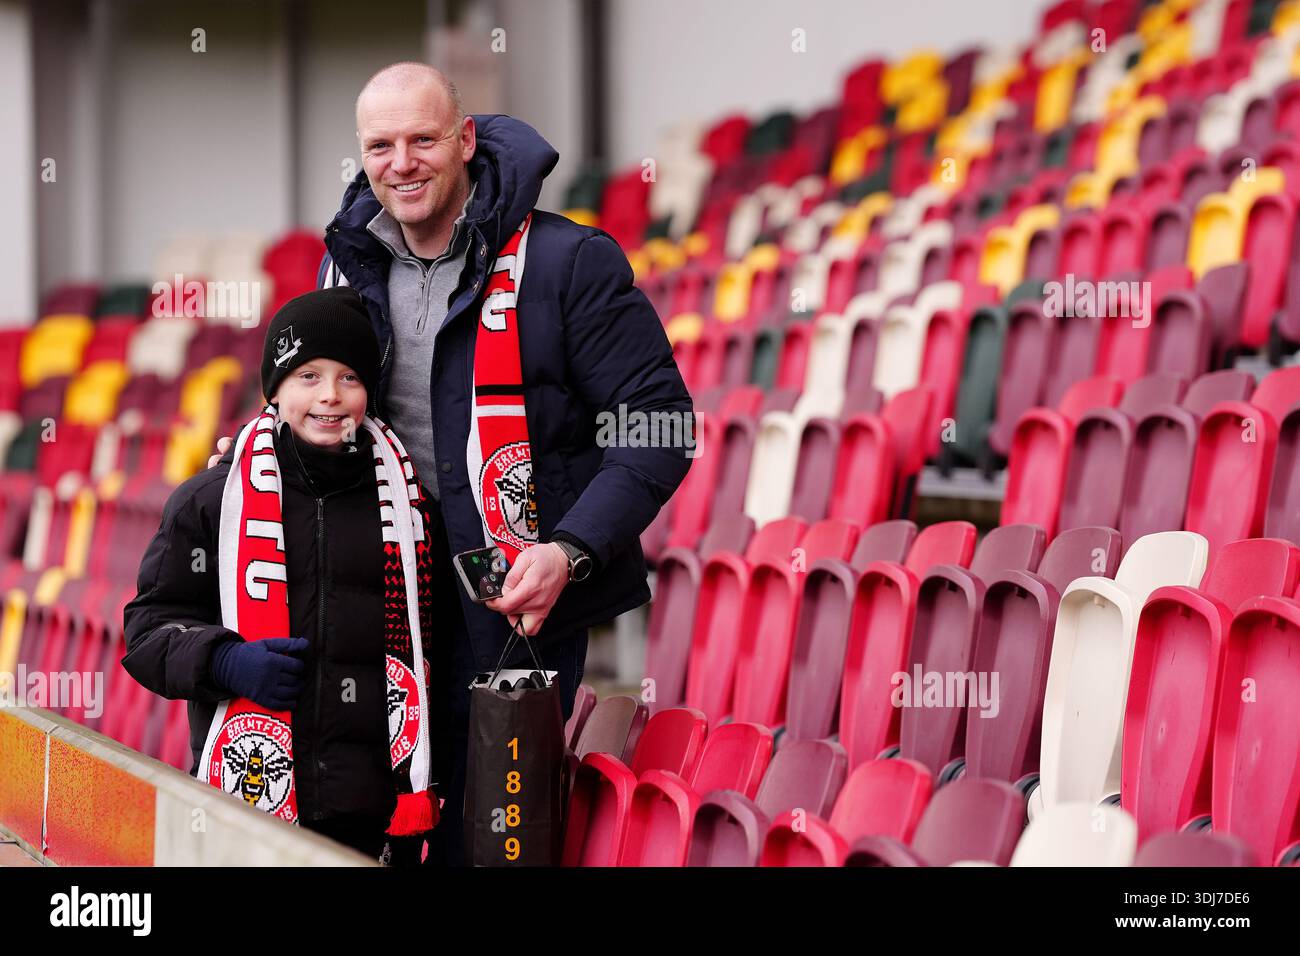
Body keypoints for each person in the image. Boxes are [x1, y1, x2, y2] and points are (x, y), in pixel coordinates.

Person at [211, 62, 693, 866]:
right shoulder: (347, 265)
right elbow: (314, 406)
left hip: (517, 601)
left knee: (497, 837)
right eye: (381, 145)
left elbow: (659, 426)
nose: (402, 162)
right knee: (373, 824)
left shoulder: (570, 262)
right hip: (378, 590)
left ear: (465, 139)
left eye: (423, 139)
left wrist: (569, 551)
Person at [124, 287, 457, 865]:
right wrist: (223, 660)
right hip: (248, 806)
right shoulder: (210, 501)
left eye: (349, 377)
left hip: (372, 812)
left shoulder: (411, 511)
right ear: (273, 390)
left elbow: (442, 652)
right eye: (307, 375)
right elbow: (147, 634)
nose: (330, 395)